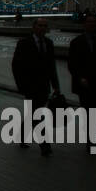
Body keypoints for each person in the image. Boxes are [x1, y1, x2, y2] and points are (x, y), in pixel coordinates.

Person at [11, 18, 60, 156]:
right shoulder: (24, 43)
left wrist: (56, 86)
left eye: (45, 26)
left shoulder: (49, 44)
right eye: (40, 25)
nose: (42, 28)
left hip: (44, 86)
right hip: (29, 86)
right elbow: (16, 66)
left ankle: (22, 136)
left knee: (33, 114)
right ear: (34, 27)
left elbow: (52, 67)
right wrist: (21, 85)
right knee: (38, 114)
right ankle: (45, 145)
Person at [67, 12, 96, 145]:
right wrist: (80, 78)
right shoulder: (76, 42)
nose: (92, 25)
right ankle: (90, 140)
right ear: (84, 24)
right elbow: (72, 64)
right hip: (84, 84)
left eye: (94, 22)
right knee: (88, 112)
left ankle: (91, 135)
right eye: (89, 22)